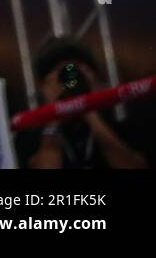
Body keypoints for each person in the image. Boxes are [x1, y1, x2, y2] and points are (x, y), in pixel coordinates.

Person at [16, 37, 149, 169]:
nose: (70, 80)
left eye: (76, 72)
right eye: (62, 76)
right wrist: (54, 111)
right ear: (44, 85)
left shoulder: (121, 129)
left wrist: (88, 103)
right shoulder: (34, 139)